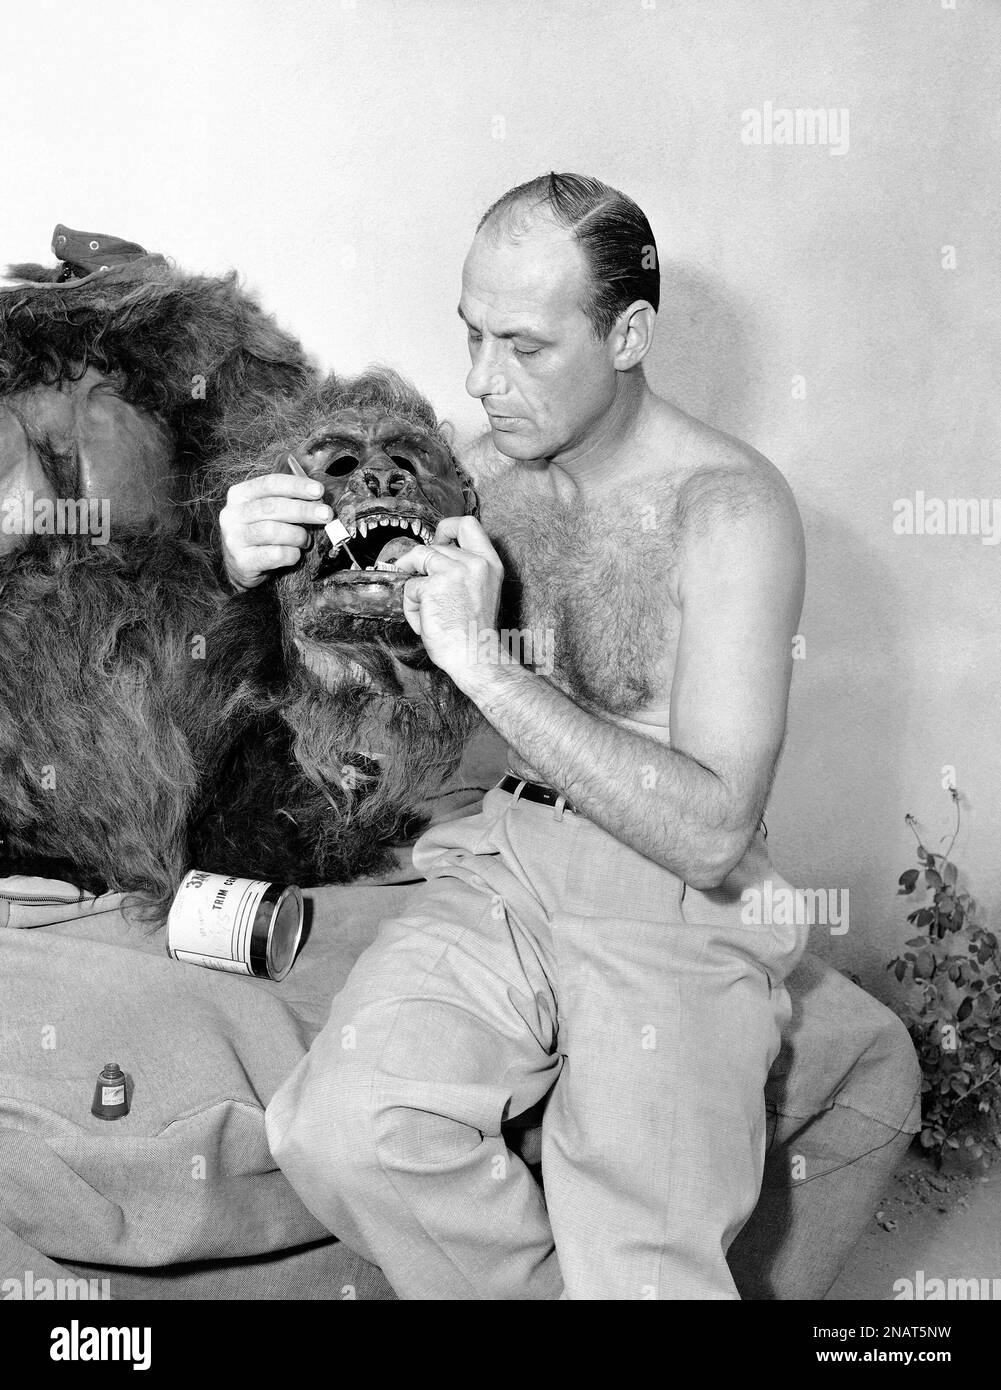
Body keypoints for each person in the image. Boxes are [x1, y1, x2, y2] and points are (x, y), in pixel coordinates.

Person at [221, 172, 808, 1299]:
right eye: (471, 335)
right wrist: (245, 560)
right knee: (343, 1127)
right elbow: (337, 654)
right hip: (502, 859)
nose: (482, 383)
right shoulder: (478, 471)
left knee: (641, 1266)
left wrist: (482, 661)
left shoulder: (729, 510)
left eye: (526, 348)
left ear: (628, 333)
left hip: (675, 900)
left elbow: (713, 831)